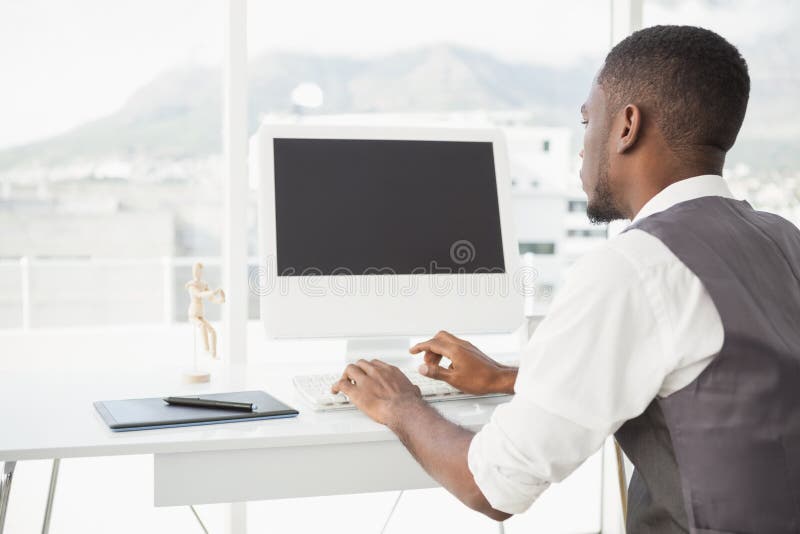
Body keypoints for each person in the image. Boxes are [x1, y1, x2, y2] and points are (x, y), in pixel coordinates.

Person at [332, 25, 800, 533]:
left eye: (586, 120)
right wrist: (510, 377)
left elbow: (490, 486)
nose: (582, 148)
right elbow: (721, 380)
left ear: (626, 126)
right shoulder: (782, 239)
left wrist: (399, 404)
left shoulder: (637, 265)